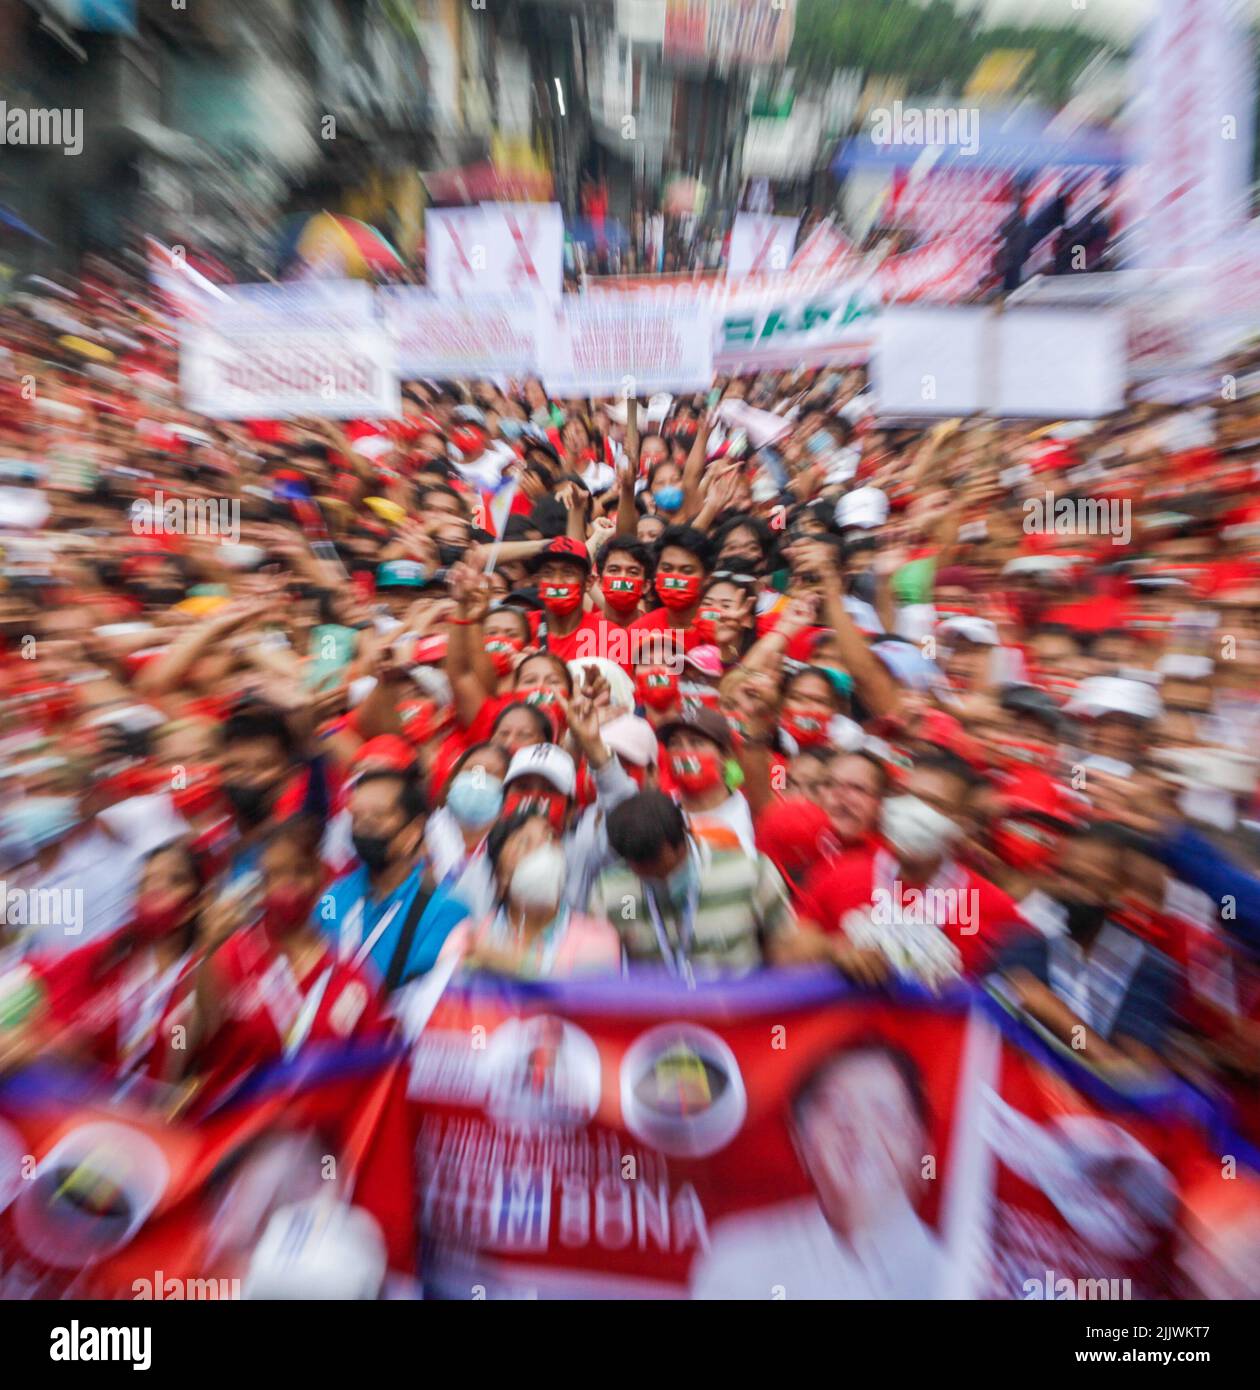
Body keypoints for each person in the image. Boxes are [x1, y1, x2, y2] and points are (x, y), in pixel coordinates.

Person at [691, 1041, 945, 1298]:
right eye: (838, 1112)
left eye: (886, 1114)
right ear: (800, 1141)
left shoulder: (955, 1277)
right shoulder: (740, 1258)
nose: (861, 1132)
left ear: (921, 1148)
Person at [595, 791, 801, 977]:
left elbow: (785, 947)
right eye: (640, 867)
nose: (658, 878)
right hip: (658, 1014)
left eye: (661, 866)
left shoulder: (750, 873)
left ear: (683, 837)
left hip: (737, 1010)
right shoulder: (615, 892)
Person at [319, 767, 468, 990]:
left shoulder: (445, 912)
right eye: (357, 817)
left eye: (378, 816)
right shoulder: (332, 897)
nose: (364, 826)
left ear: (414, 830)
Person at [438, 809, 621, 978]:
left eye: (551, 837)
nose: (544, 849)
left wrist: (505, 961)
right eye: (524, 843)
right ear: (501, 877)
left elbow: (584, 994)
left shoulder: (597, 937)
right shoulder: (468, 936)